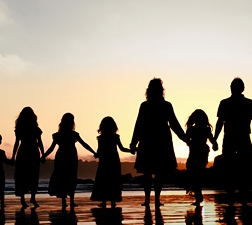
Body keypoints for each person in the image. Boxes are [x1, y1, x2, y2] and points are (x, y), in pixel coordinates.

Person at [130, 78, 187, 207]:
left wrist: (134, 143)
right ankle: (155, 199)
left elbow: (138, 125)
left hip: (149, 139)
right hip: (161, 140)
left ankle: (148, 199)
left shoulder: (146, 106)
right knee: (158, 172)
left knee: (148, 173)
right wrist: (185, 138)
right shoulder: (165, 105)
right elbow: (174, 124)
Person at [214, 77, 252, 196]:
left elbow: (220, 122)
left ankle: (233, 195)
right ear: (243, 89)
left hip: (234, 137)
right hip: (241, 138)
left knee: (233, 168)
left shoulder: (225, 103)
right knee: (244, 168)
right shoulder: (248, 103)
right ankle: (242, 195)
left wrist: (215, 139)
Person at [44, 112, 96, 210]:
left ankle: (64, 201)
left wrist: (43, 156)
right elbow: (84, 144)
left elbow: (51, 148)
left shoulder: (58, 135)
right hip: (70, 156)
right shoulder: (73, 134)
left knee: (63, 177)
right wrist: (94, 152)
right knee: (71, 177)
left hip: (62, 156)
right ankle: (71, 201)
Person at [91, 116, 131, 208]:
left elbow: (99, 150)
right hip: (114, 160)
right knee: (114, 180)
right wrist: (131, 151)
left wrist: (97, 155)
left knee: (104, 179)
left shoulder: (101, 138)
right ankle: (113, 201)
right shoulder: (115, 137)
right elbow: (122, 148)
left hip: (104, 161)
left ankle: (104, 201)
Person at [184, 109, 218, 206]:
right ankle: (198, 195)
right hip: (202, 152)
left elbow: (186, 139)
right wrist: (215, 145)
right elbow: (212, 139)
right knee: (197, 173)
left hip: (196, 152)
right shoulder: (205, 129)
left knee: (193, 172)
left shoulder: (192, 129)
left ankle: (198, 196)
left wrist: (189, 142)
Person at [12, 107, 44, 208]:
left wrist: (13, 156)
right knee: (33, 175)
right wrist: (43, 154)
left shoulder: (21, 129)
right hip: (32, 152)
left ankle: (24, 200)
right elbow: (40, 142)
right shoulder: (34, 129)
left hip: (24, 152)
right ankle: (32, 198)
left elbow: (17, 143)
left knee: (23, 176)